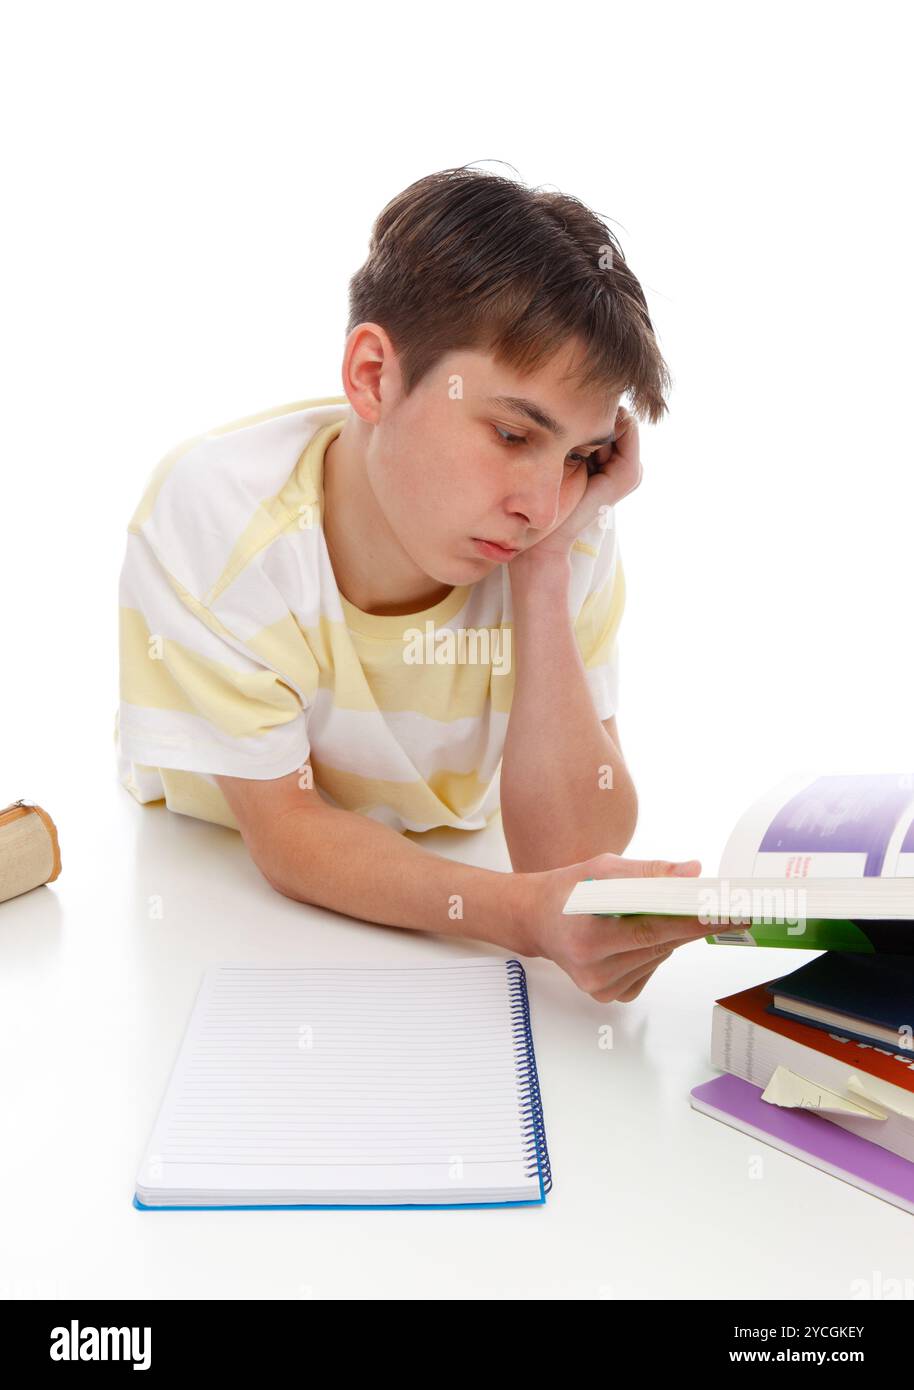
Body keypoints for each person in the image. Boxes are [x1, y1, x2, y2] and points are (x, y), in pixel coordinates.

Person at [116, 164, 706, 1002]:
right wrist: (517, 913)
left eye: (578, 457)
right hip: (213, 895)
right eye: (510, 433)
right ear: (372, 377)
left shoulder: (559, 532)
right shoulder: (219, 516)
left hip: (431, 876)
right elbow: (285, 831)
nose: (539, 505)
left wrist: (544, 573)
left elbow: (575, 856)